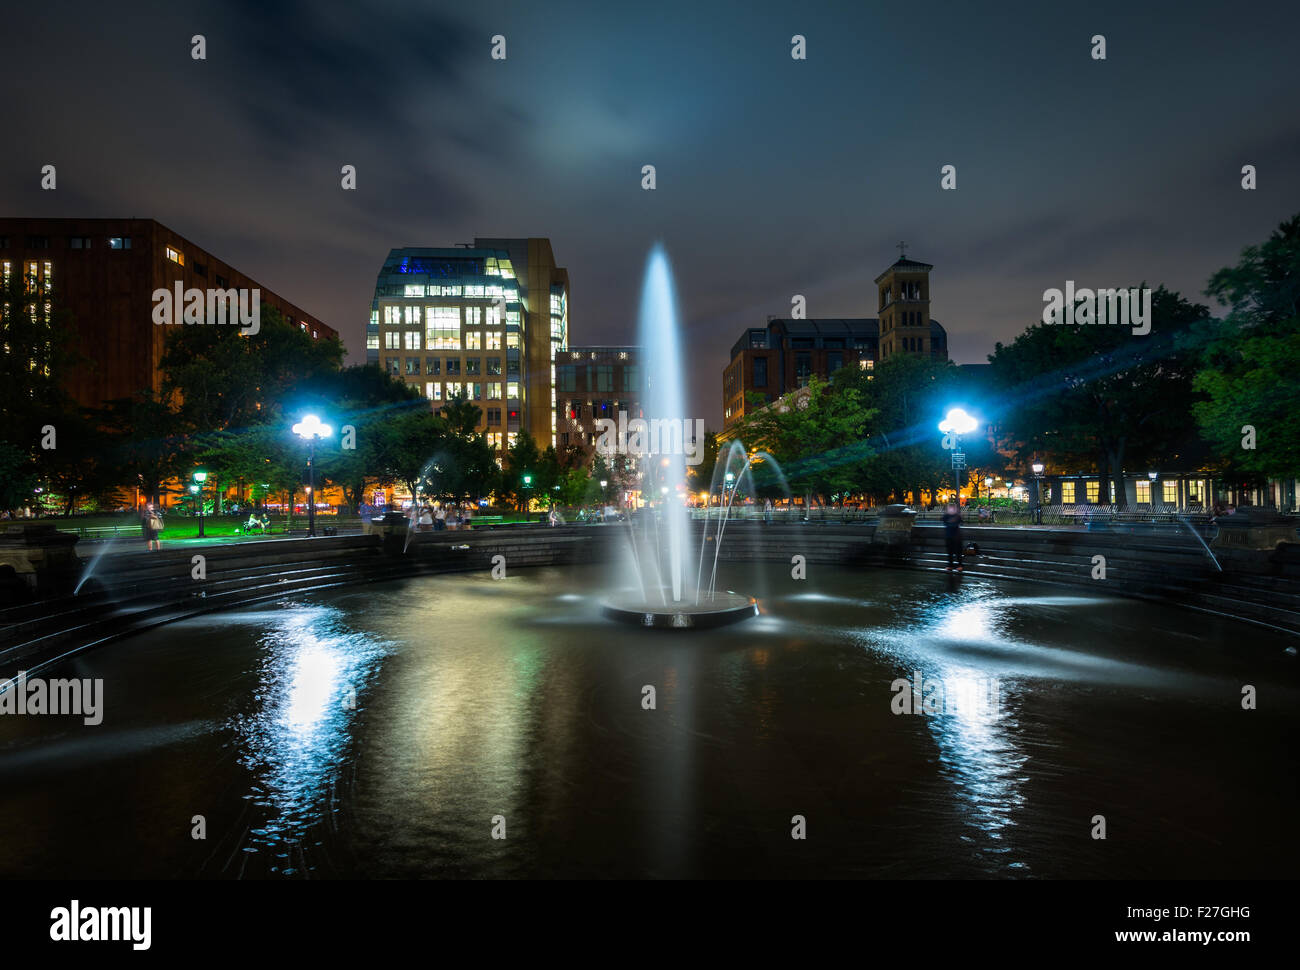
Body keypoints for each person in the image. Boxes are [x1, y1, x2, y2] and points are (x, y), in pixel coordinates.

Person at [942, 502, 963, 572]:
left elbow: (957, 523)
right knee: (949, 551)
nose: (951, 509)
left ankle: (960, 565)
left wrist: (951, 522)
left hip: (956, 536)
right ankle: (950, 565)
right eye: (950, 508)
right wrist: (951, 522)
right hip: (949, 536)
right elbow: (945, 522)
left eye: (952, 508)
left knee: (958, 552)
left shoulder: (958, 516)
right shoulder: (946, 516)